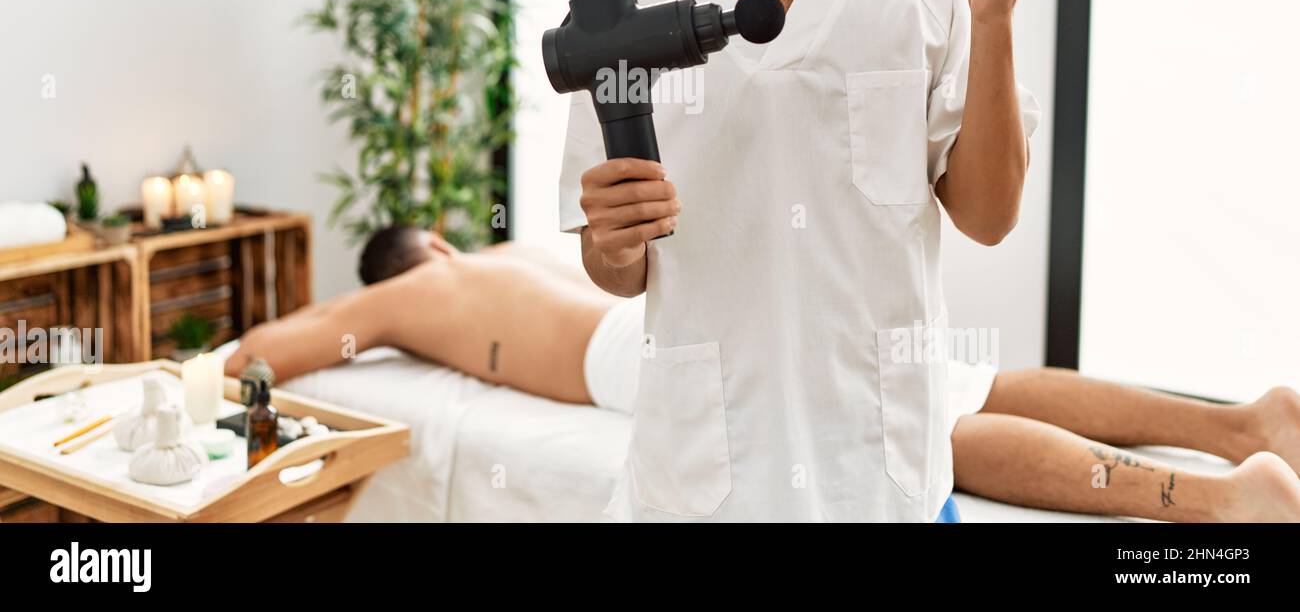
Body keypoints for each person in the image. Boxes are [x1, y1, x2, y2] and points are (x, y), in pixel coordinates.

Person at [555, 0, 1105, 521]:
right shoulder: (630, 21)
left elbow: (988, 217)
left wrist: (989, 21)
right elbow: (619, 275)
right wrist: (611, 238)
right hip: (706, 476)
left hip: (876, 470)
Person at [224, 227, 1300, 522]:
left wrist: (215, 364)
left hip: (644, 356)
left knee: (922, 426)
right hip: (678, 316)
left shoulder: (414, 296)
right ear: (443, 243)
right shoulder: (496, 263)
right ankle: (1237, 424)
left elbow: (293, 338)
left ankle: (1219, 497)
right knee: (965, 381)